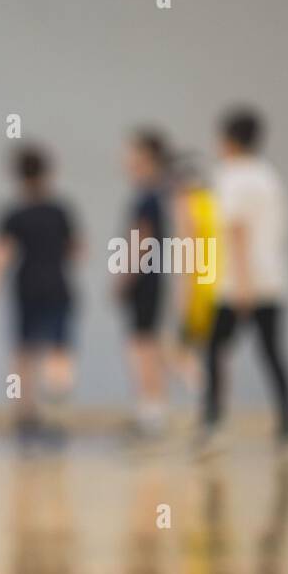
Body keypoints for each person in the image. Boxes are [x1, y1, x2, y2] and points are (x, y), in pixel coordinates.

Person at [0, 145, 82, 448]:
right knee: (59, 352)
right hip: (58, 287)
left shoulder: (13, 215)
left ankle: (25, 418)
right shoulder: (60, 211)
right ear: (47, 173)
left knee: (23, 358)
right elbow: (78, 250)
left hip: (27, 289)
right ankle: (57, 417)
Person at [199, 106, 288, 455]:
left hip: (239, 284)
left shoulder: (232, 176)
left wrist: (241, 284)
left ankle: (213, 425)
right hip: (272, 280)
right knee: (272, 354)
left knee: (214, 351)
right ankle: (287, 431)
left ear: (229, 140)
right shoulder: (269, 176)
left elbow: (236, 231)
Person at [117, 129, 172, 438]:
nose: (125, 159)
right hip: (151, 279)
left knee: (144, 346)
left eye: (131, 152)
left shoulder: (149, 196)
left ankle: (152, 415)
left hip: (146, 281)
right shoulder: (155, 194)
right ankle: (151, 411)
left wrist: (124, 277)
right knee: (148, 345)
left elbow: (141, 240)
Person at [169, 156, 221, 394]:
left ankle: (205, 399)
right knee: (213, 353)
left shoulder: (185, 206)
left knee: (176, 349)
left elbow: (186, 254)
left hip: (198, 288)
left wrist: (182, 296)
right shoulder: (210, 202)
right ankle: (214, 407)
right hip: (218, 285)